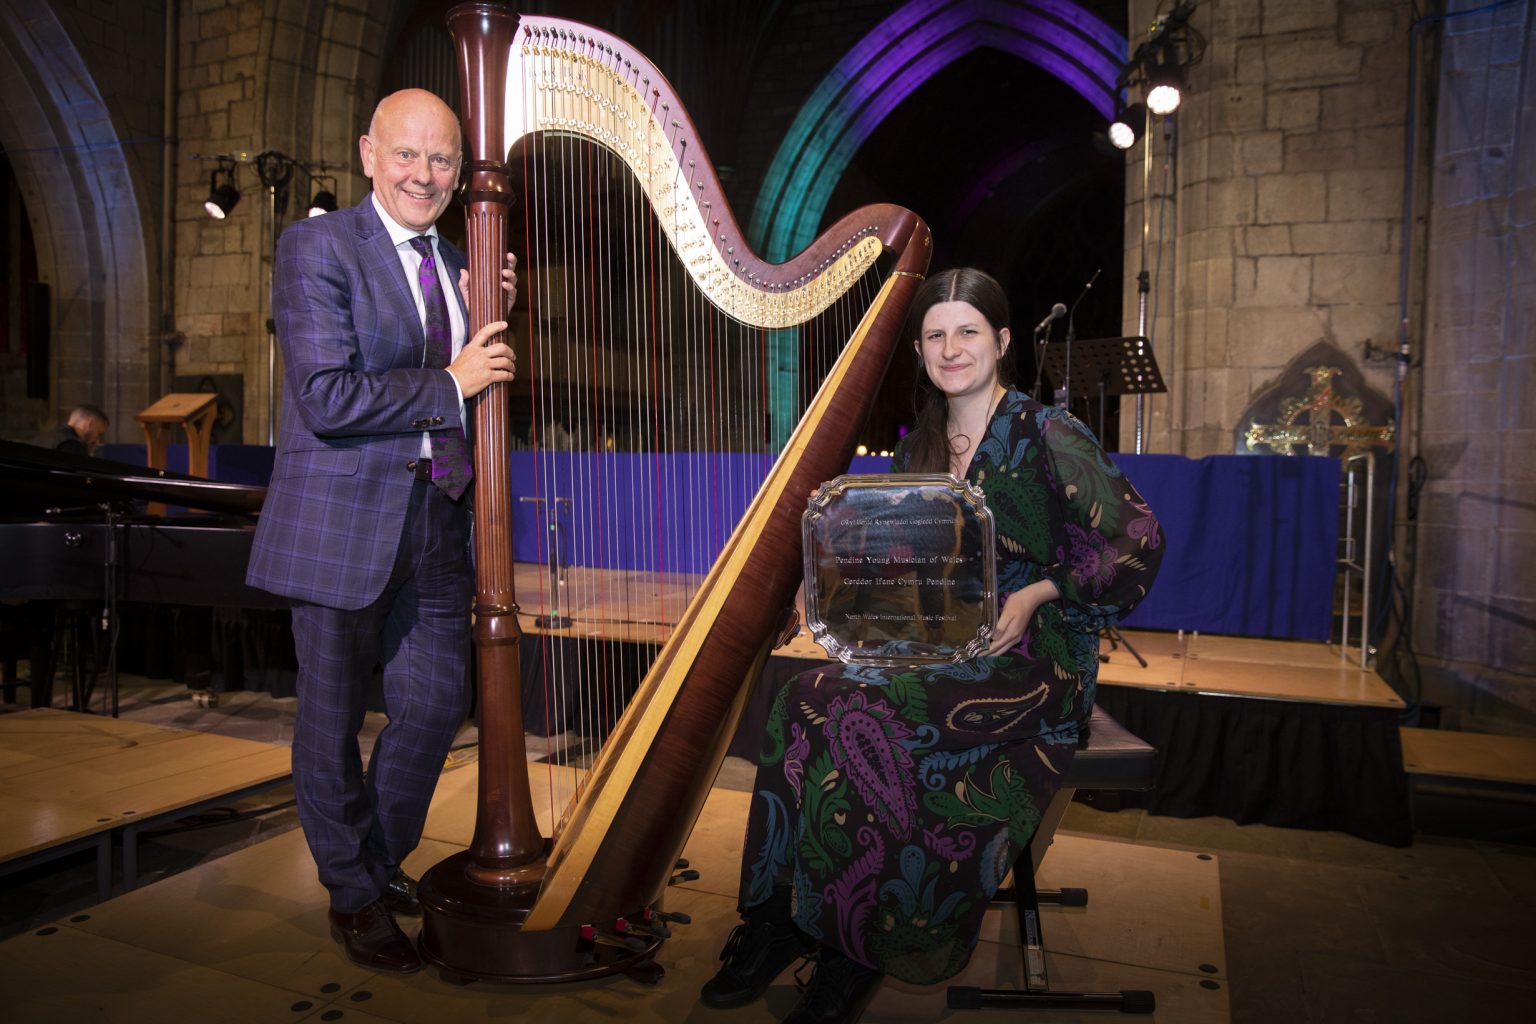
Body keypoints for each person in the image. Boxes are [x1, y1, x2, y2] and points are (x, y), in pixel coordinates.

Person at [701, 268, 1164, 1023]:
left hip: (1033, 655)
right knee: (800, 699)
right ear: (919, 349)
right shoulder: (917, 443)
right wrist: (819, 588)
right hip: (939, 645)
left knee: (869, 712)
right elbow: (895, 559)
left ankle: (856, 950)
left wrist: (1038, 590)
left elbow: (1138, 540)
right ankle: (780, 917)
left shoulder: (1049, 432)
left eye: (969, 332)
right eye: (936, 335)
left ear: (1003, 341)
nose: (952, 349)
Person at [246, 88, 517, 974]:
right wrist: (453, 374)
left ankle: (376, 863)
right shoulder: (316, 246)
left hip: (436, 524)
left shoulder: (453, 261)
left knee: (438, 704)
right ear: (368, 153)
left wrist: (487, 315)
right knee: (328, 725)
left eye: (443, 161)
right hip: (338, 526)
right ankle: (354, 897)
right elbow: (325, 396)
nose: (426, 175)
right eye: (409, 155)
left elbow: (479, 376)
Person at [30, 404, 109, 455]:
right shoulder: (72, 445)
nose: (97, 440)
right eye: (99, 434)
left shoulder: (40, 438)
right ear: (90, 423)